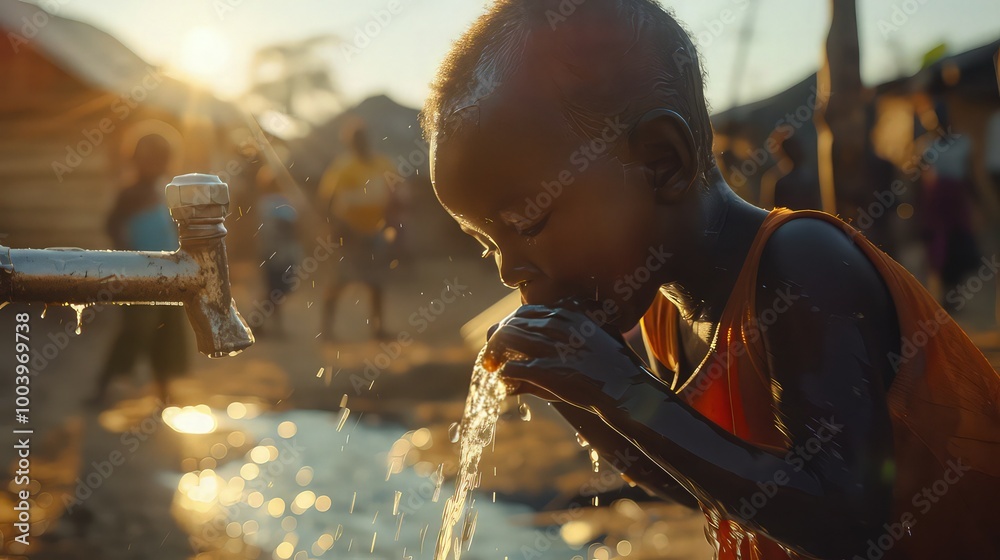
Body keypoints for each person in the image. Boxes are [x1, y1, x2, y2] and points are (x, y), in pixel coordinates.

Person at [422, 2, 1000, 559]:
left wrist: (622, 390)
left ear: (660, 163)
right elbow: (701, 481)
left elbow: (845, 516)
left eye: (528, 222)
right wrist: (585, 399)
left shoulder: (801, 266)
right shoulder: (664, 309)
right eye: (487, 243)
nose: (507, 268)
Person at [88, 134, 189, 406]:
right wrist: (127, 257)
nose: (154, 165)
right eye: (148, 160)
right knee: (135, 331)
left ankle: (164, 393)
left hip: (170, 275)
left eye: (159, 159)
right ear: (135, 161)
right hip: (137, 276)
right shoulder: (129, 194)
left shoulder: (168, 191)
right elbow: (111, 227)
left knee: (166, 332)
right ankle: (104, 389)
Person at [317, 120, 396, 340]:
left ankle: (378, 328)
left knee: (377, 282)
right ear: (350, 144)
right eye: (355, 140)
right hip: (348, 236)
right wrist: (338, 229)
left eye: (362, 138)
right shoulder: (342, 167)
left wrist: (390, 225)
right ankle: (327, 330)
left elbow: (394, 195)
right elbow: (327, 202)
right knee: (338, 282)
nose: (360, 143)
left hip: (375, 233)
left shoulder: (383, 164)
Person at [254, 165, 302, 338]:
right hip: (278, 253)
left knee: (275, 290)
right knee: (277, 291)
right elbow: (290, 225)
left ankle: (257, 322)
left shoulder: (269, 202)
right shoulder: (274, 203)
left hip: (275, 252)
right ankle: (271, 326)